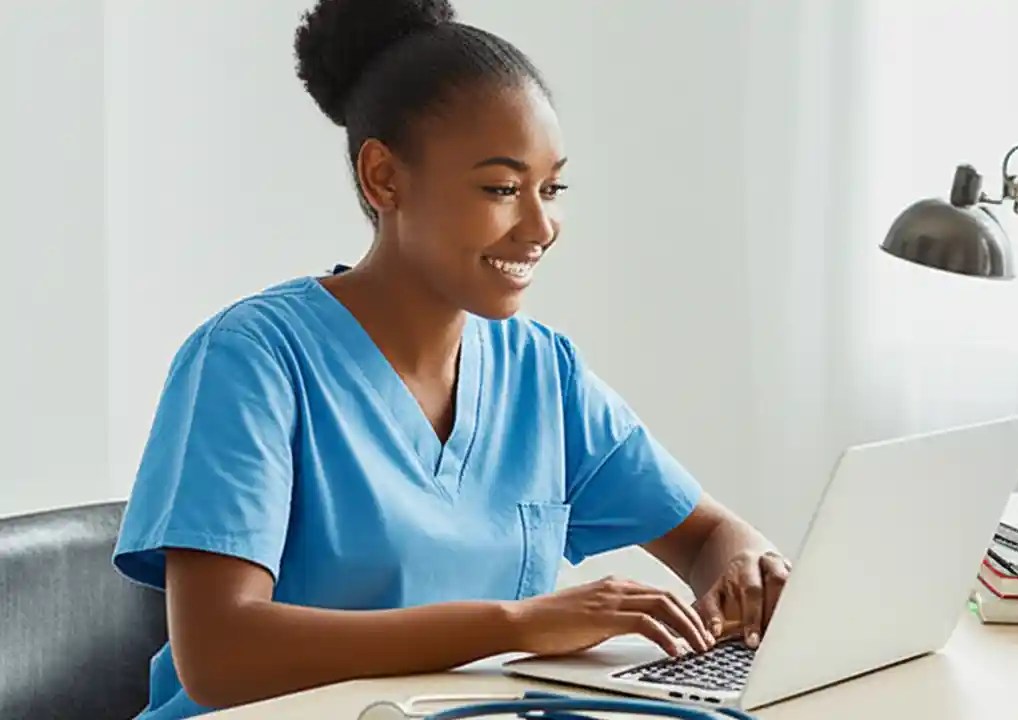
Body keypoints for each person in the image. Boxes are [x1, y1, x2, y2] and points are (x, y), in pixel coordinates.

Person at [111, 0, 790, 717]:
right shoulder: (252, 360)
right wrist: (515, 625)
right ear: (384, 179)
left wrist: (744, 564)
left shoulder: (541, 371)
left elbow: (709, 534)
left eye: (551, 188)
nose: (540, 226)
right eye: (501, 189)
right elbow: (222, 657)